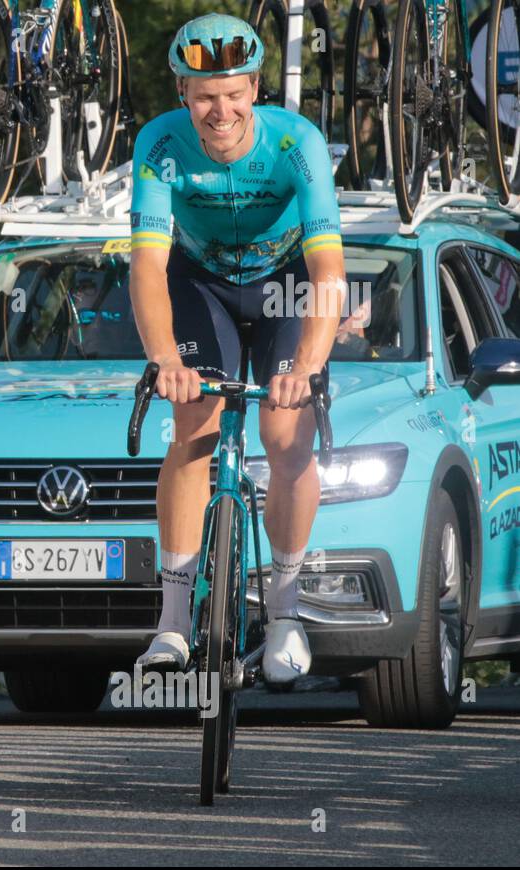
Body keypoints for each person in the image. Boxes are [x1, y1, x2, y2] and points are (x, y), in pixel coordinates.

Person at [128, 14, 346, 683]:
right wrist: (165, 357)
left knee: (286, 437)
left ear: (255, 87)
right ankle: (171, 620)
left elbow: (328, 275)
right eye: (202, 95)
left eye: (232, 93)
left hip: (284, 284)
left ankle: (283, 612)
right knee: (194, 427)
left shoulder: (295, 143)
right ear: (182, 93)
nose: (219, 110)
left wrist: (306, 369)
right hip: (201, 285)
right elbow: (146, 268)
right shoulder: (159, 144)